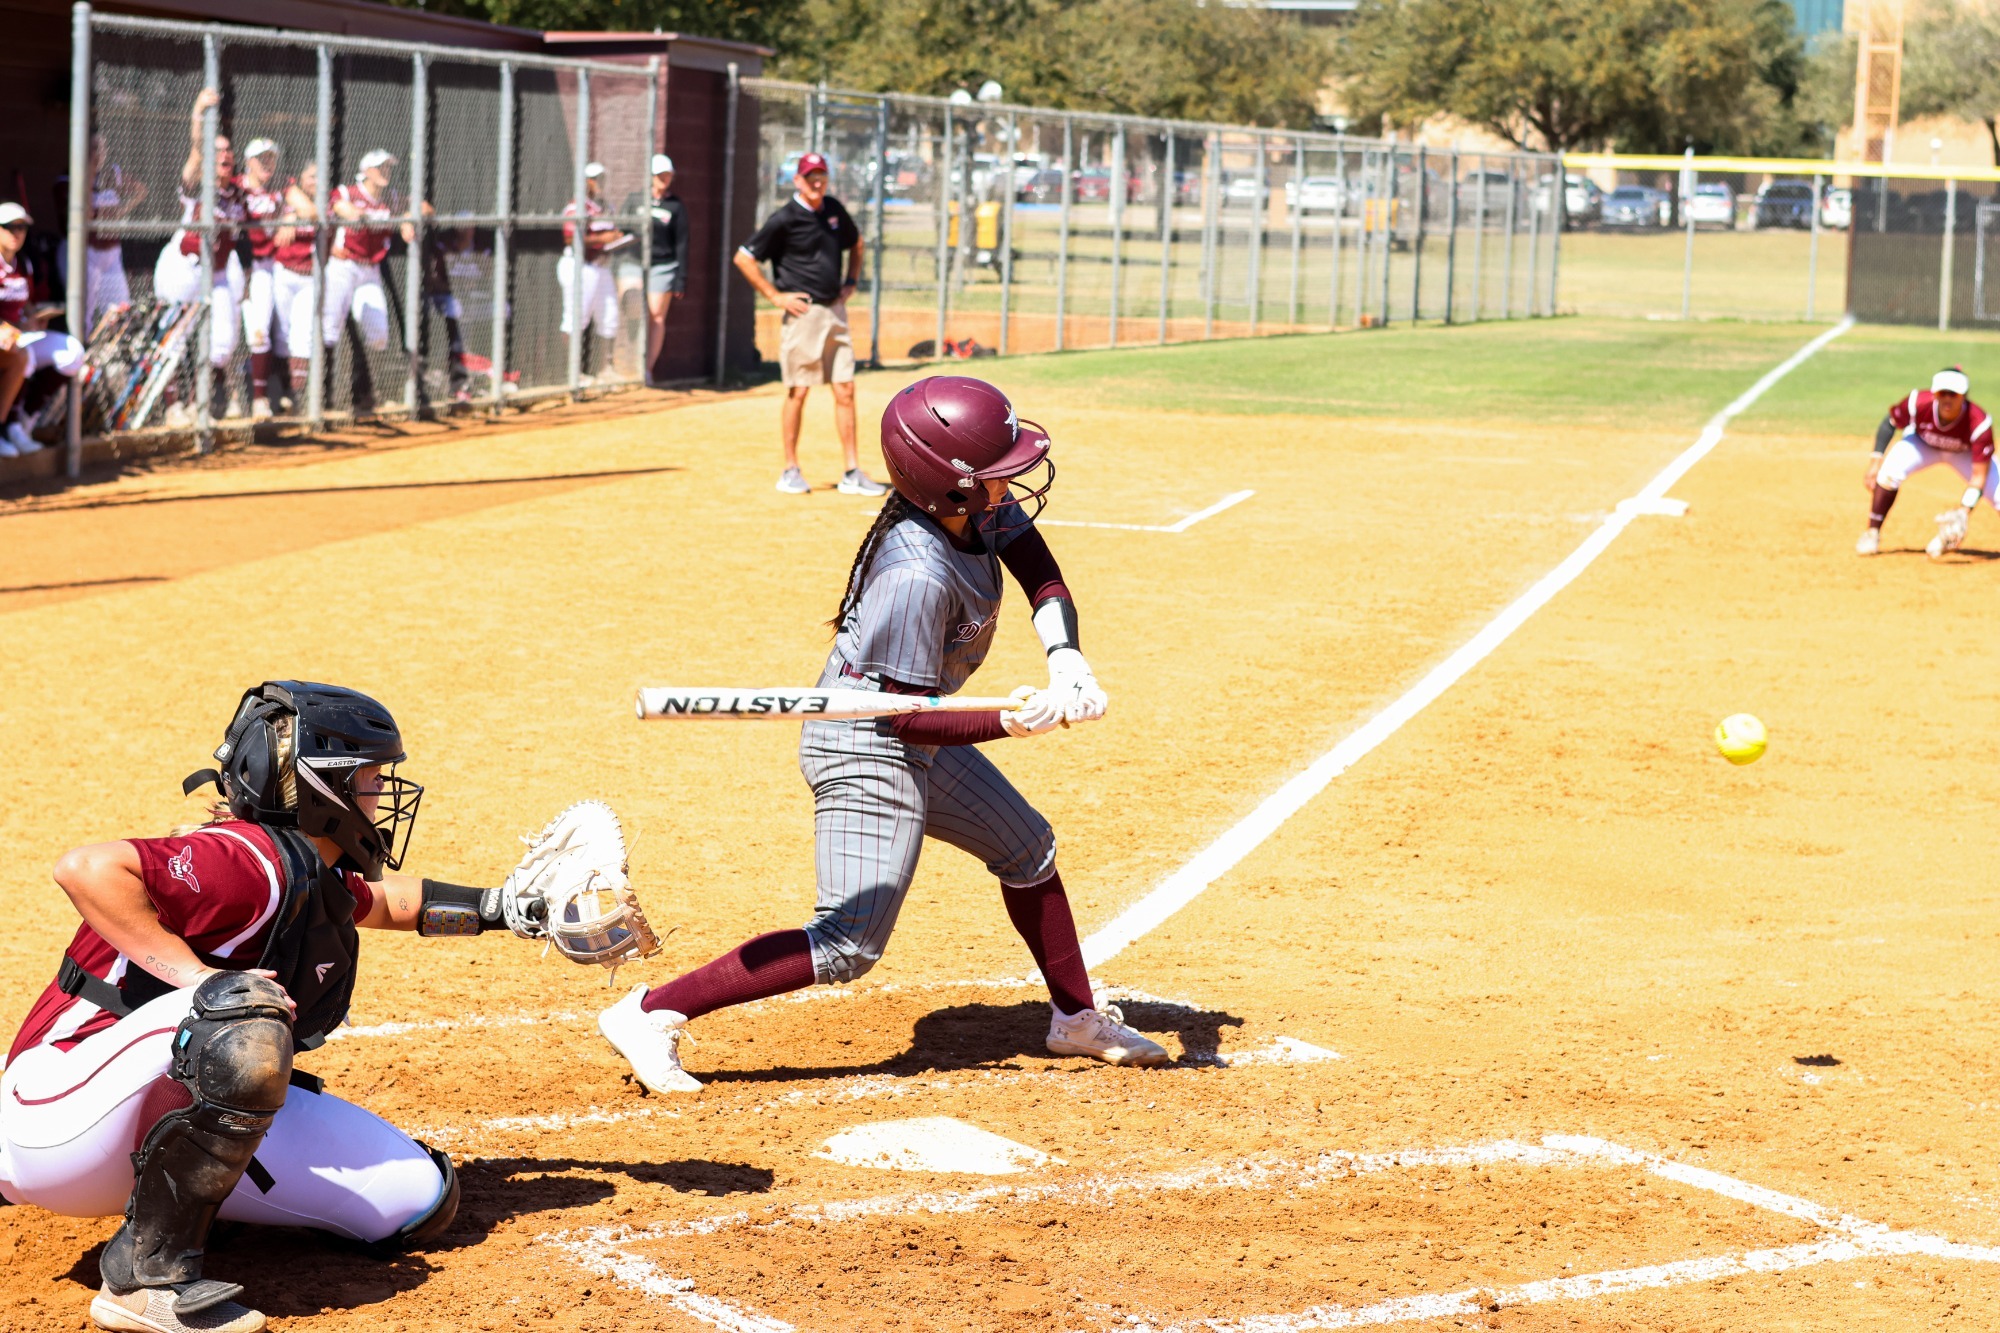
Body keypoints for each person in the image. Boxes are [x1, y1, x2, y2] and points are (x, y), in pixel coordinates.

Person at [597, 376, 1168, 1095]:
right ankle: (649, 1011)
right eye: (998, 473)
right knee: (847, 942)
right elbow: (899, 718)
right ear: (950, 485)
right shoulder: (914, 574)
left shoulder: (972, 507)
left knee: (1029, 848)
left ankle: (1077, 1018)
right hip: (865, 741)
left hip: (912, 723)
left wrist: (1066, 656)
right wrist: (1010, 721)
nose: (1013, 482)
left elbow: (1038, 567)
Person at [0, 681, 565, 1333]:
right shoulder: (242, 860)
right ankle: (145, 1278)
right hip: (58, 1119)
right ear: (319, 784)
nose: (381, 797)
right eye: (370, 779)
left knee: (415, 1199)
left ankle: (194, 1200)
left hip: (140, 1119)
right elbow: (86, 867)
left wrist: (508, 909)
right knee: (239, 1011)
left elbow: (383, 902)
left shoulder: (301, 871)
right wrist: (199, 981)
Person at [734, 151, 887, 497]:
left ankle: (851, 471)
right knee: (798, 391)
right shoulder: (784, 218)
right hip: (802, 316)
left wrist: (851, 281)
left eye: (822, 175)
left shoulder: (833, 209)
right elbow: (743, 258)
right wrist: (776, 297)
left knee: (845, 389)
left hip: (835, 312)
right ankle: (790, 470)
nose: (817, 182)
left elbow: (857, 243)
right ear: (797, 181)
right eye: (810, 176)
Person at [153, 87, 248, 420]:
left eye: (228, 151)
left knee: (222, 343)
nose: (224, 155)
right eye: (217, 150)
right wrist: (198, 111)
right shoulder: (197, 182)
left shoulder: (237, 192)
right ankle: (173, 407)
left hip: (217, 273)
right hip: (185, 267)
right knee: (174, 339)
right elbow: (196, 147)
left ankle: (198, 404)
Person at [1858, 366, 1997, 558]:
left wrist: (1964, 512)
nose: (1947, 399)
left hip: (1962, 453)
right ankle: (1872, 533)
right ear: (1934, 394)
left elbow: (1979, 476)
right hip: (1923, 444)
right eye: (1942, 393)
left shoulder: (1979, 423)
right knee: (1889, 472)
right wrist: (1875, 462)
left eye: (1953, 394)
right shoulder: (1917, 402)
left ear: (1964, 396)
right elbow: (1890, 423)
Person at [325, 149, 412, 416]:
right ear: (365, 171)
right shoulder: (349, 192)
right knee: (330, 331)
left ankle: (365, 392)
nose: (385, 171)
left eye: (387, 167)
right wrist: (360, 215)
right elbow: (342, 208)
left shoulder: (392, 198)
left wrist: (409, 217)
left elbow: (423, 206)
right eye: (379, 167)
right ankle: (324, 398)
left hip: (369, 271)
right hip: (344, 266)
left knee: (378, 335)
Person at [0, 201, 84, 456]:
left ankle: (24, 420)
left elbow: (26, 304)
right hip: (5, 338)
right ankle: (7, 425)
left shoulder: (25, 264)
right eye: (9, 227)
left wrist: (33, 318)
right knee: (25, 354)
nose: (17, 233)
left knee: (72, 353)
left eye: (22, 228)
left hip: (20, 333)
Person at [558, 161, 629, 381]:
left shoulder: (605, 207)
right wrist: (602, 239)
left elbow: (611, 233)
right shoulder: (576, 206)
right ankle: (572, 373)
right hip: (579, 266)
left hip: (601, 267)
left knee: (609, 315)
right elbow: (570, 238)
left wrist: (617, 239)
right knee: (576, 317)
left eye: (601, 178)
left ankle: (606, 368)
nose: (599, 183)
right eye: (594, 178)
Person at [236, 139, 286, 418]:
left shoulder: (278, 192)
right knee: (231, 336)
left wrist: (288, 221)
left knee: (261, 333)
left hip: (267, 269)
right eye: (261, 158)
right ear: (248, 161)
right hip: (239, 267)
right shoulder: (236, 188)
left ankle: (260, 399)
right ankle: (230, 397)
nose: (267, 163)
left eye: (271, 158)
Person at [78, 134, 147, 329]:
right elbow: (88, 214)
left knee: (120, 307)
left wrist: (121, 210)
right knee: (86, 310)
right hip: (89, 252)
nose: (100, 155)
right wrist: (90, 172)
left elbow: (141, 190)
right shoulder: (79, 177)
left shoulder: (111, 174)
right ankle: (83, 348)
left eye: (103, 149)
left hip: (111, 252)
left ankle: (114, 350)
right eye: (94, 150)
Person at [271, 162, 319, 400]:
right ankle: (280, 390)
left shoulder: (327, 203)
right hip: (284, 272)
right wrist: (289, 215)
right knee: (281, 333)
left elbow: (316, 214)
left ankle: (295, 394)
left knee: (303, 336)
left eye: (320, 176)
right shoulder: (284, 201)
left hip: (309, 277)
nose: (316, 181)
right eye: (311, 176)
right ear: (300, 179)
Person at [644, 154, 688, 381]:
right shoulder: (637, 200)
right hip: (634, 265)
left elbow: (682, 243)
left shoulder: (675, 205)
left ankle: (647, 369)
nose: (664, 179)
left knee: (656, 315)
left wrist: (680, 278)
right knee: (634, 311)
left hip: (663, 266)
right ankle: (627, 362)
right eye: (660, 175)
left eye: (668, 175)